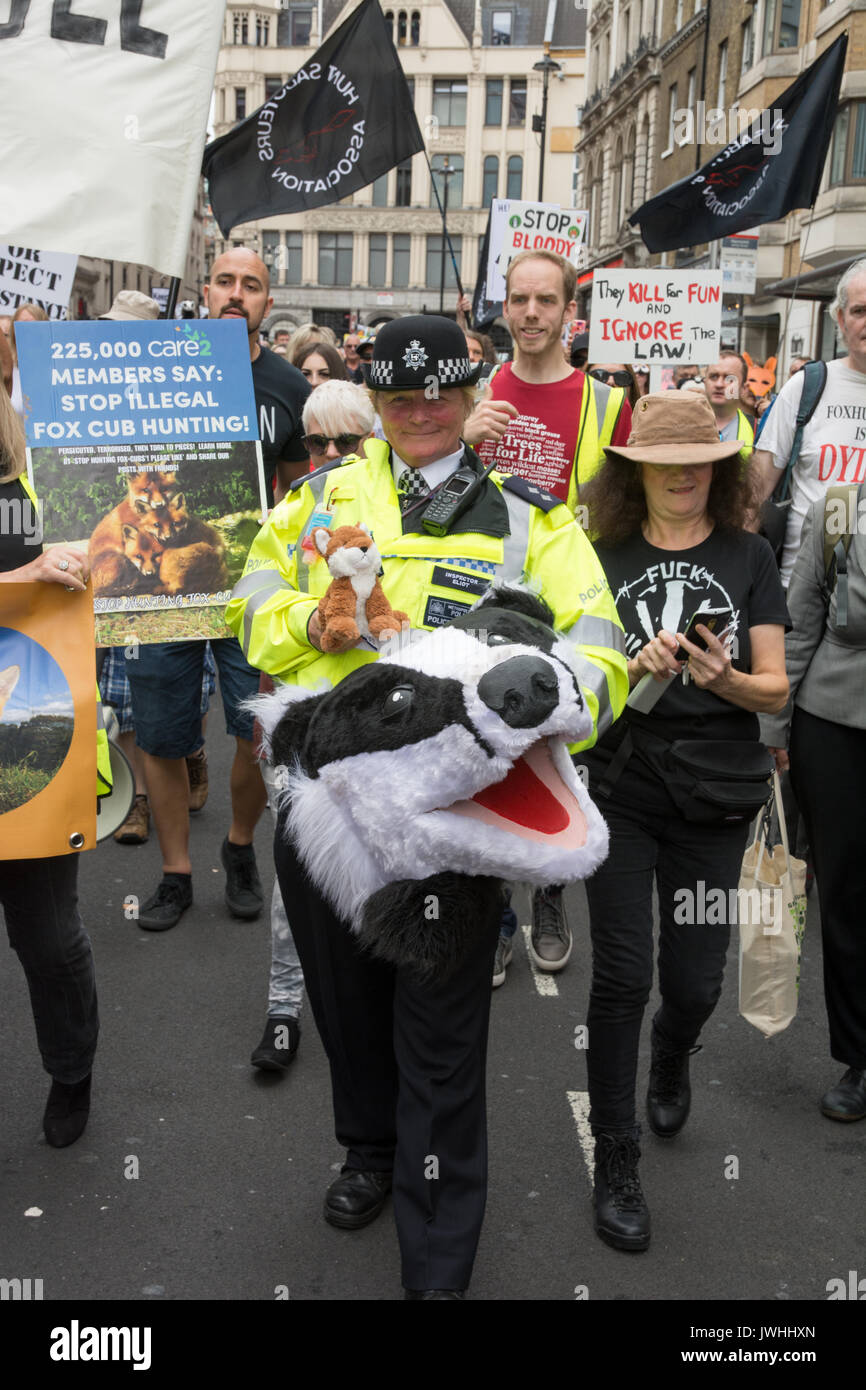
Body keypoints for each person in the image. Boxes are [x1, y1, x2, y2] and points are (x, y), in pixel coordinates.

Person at [226, 315, 628, 1297]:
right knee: (347, 1013)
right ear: (377, 398)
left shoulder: (535, 517)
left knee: (441, 1051)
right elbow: (243, 607)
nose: (419, 410)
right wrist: (308, 620)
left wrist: (540, 682)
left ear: (467, 390)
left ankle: (437, 1261)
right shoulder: (318, 500)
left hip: (450, 831)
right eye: (399, 395)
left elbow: (603, 654)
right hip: (326, 815)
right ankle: (365, 1149)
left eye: (437, 392)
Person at [577, 391, 788, 1253]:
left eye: (698, 462)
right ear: (637, 473)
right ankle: (617, 1160)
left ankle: (675, 1050)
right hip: (622, 788)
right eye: (665, 464)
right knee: (623, 976)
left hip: (714, 795)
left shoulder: (751, 554)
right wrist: (630, 667)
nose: (683, 477)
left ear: (719, 467)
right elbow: (572, 689)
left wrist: (723, 678)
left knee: (696, 984)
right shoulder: (598, 555)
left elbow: (776, 688)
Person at [463, 249, 632, 980]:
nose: (531, 313)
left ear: (569, 311)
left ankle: (553, 887)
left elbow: (628, 511)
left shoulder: (608, 403)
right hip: (480, 604)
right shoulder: (471, 391)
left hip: (568, 600)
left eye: (545, 301)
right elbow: (426, 494)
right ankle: (497, 908)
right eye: (519, 299)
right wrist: (468, 442)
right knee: (485, 749)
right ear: (504, 307)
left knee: (564, 749)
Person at [123, 248, 300, 930]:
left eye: (250, 285)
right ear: (204, 290)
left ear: (266, 301)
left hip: (250, 590)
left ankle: (239, 847)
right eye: (225, 281)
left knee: (258, 731)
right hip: (157, 587)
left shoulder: (285, 384)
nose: (236, 293)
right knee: (163, 740)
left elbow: (295, 485)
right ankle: (175, 872)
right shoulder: (154, 371)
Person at [249, 379, 377, 1073]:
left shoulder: (404, 514)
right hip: (303, 725)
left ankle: (372, 1004)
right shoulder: (290, 514)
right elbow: (253, 619)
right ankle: (282, 1008)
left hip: (385, 732)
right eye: (316, 441)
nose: (329, 453)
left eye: (346, 441)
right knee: (293, 871)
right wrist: (309, 623)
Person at [0, 384, 111, 1147]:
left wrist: (78, 563)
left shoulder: (40, 468)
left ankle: (72, 1072)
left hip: (29, 738)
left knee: (45, 933)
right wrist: (19, 580)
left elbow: (107, 564)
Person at [761, 486, 866, 1121]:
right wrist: (774, 731)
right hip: (834, 729)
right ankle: (860, 1059)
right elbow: (796, 626)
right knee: (848, 896)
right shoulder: (842, 510)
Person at [752, 258, 866, 588]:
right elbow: (755, 490)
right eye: (860, 311)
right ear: (841, 320)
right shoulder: (806, 387)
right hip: (802, 590)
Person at [704, 352, 754, 465]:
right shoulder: (686, 425)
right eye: (714, 376)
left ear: (744, 389)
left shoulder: (757, 428)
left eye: (730, 379)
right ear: (704, 382)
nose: (719, 384)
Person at [9, 302, 48, 421]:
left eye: (31, 325)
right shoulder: (6, 370)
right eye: (20, 325)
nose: (26, 331)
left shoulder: (57, 369)